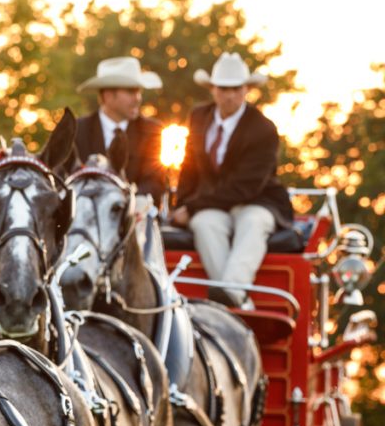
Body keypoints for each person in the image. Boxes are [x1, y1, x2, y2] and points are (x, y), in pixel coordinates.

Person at [169, 52, 293, 309]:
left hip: (259, 201)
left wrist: (193, 206)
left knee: (252, 222)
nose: (229, 95)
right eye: (224, 88)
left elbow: (246, 186)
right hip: (213, 206)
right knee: (204, 224)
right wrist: (180, 205)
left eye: (236, 89)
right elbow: (189, 166)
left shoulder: (263, 128)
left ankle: (231, 293)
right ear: (213, 89)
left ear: (246, 90)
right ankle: (241, 302)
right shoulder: (199, 117)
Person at [75, 56, 166, 197]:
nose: (138, 98)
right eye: (131, 91)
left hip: (134, 212)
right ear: (108, 96)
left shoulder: (151, 130)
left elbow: (155, 182)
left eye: (139, 92)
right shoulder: (78, 129)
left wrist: (127, 202)